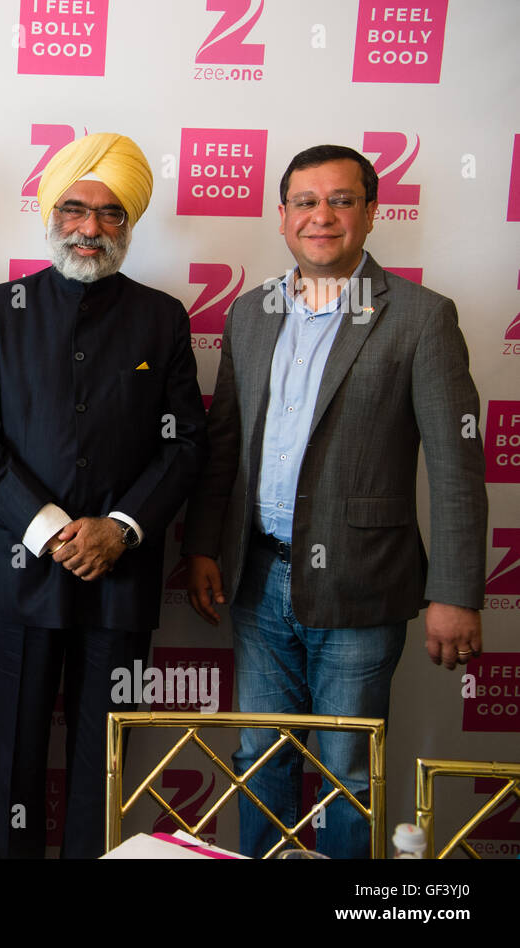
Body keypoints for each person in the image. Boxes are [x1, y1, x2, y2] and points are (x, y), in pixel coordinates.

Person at [182, 144, 487, 859]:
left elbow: (455, 467)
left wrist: (456, 591)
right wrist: (202, 544)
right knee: (262, 757)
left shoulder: (421, 318)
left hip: (363, 583)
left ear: (372, 213)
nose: (322, 216)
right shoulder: (251, 313)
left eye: (341, 201)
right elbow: (224, 442)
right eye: (305, 202)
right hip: (256, 579)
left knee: (348, 770)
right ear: (282, 216)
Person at [0, 133, 207, 858]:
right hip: (19, 572)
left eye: (110, 214)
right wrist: (52, 526)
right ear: (50, 214)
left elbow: (186, 442)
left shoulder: (163, 317)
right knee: (15, 764)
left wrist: (120, 529)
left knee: (105, 764)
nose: (90, 228)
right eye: (75, 210)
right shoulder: (1, 309)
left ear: (130, 223)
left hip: (120, 579)